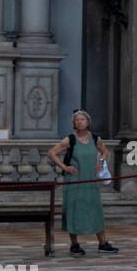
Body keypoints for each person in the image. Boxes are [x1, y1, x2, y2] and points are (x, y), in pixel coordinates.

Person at [46, 109, 118, 256]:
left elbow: (105, 151)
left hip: (90, 180)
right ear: (74, 123)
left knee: (95, 209)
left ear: (88, 122)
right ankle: (74, 244)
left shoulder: (95, 138)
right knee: (74, 211)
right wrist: (65, 167)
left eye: (82, 119)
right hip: (74, 181)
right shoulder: (70, 139)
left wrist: (101, 160)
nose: (79, 122)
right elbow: (51, 153)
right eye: (77, 120)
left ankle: (103, 243)